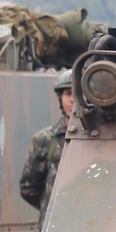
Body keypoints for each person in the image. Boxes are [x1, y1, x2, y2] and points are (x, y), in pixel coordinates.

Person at [20, 79, 75, 212]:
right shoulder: (45, 140)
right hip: (55, 220)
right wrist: (49, 206)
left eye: (78, 94)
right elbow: (29, 188)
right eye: (68, 93)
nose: (73, 100)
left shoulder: (101, 141)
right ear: (60, 98)